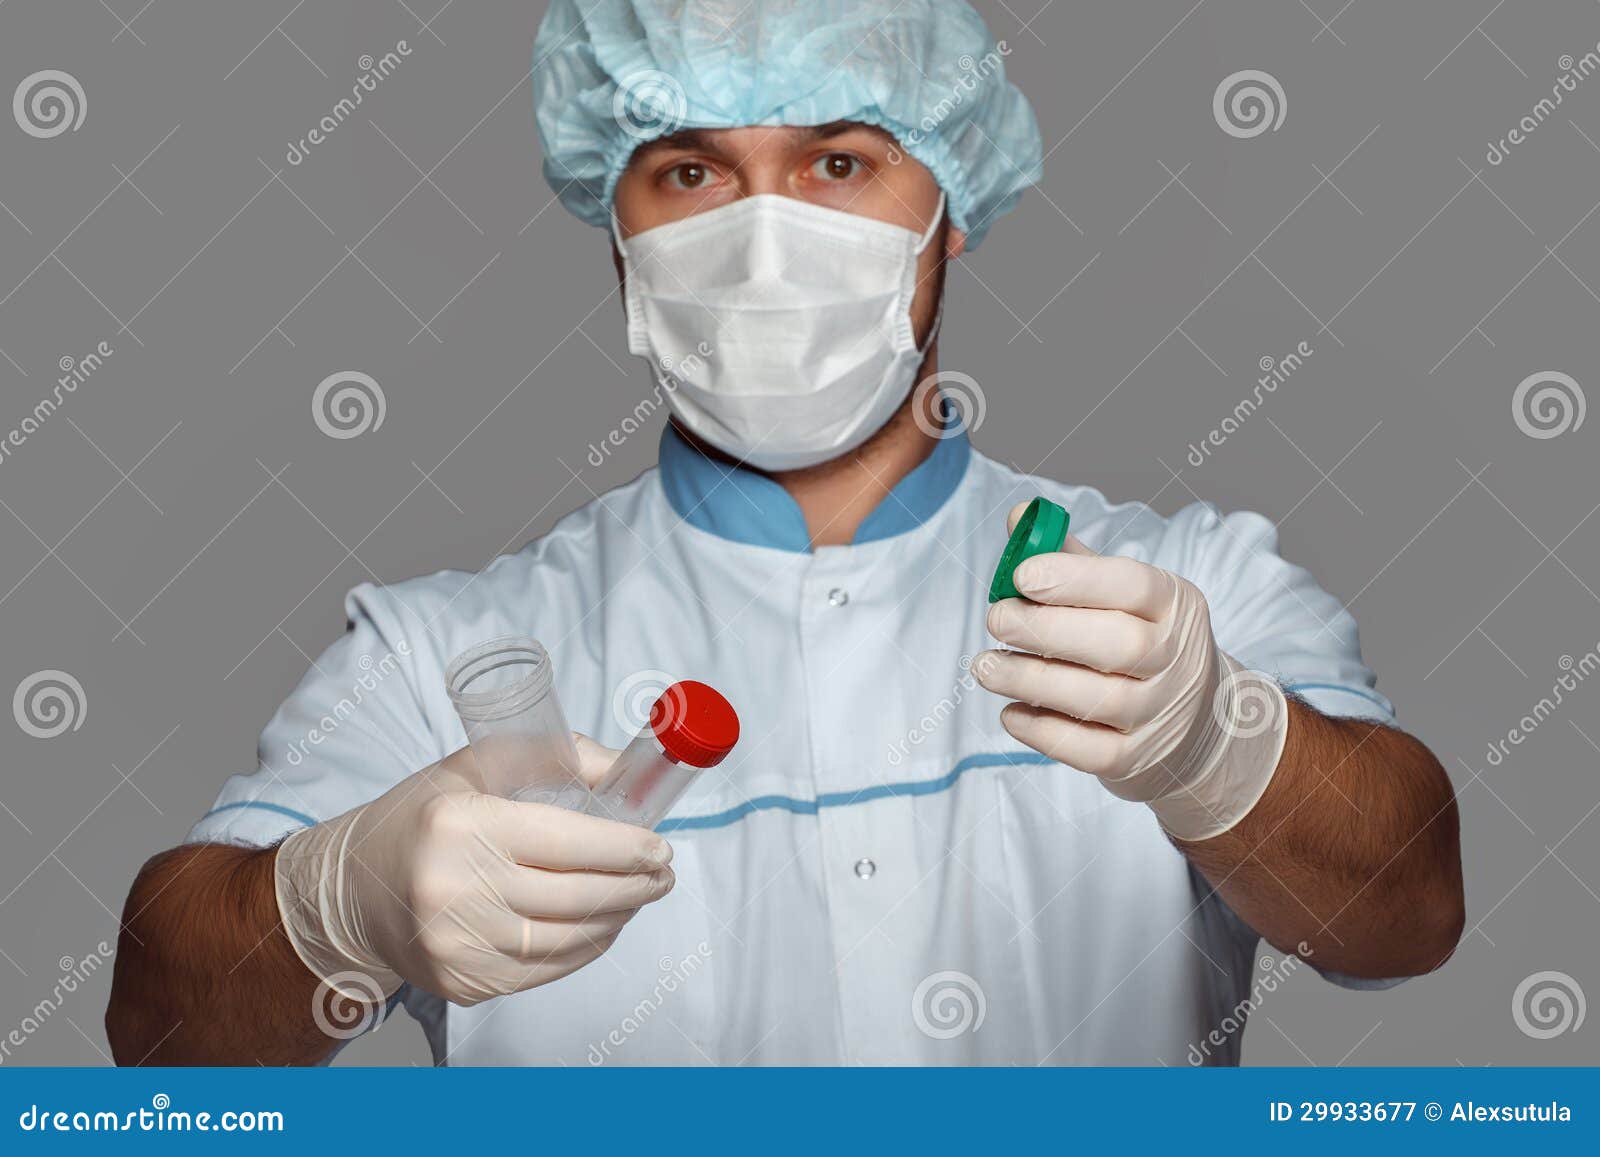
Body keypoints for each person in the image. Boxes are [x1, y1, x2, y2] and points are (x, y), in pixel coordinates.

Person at [105, 0, 1463, 1066]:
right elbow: (162, 1031)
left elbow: (1407, 915)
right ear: (616, 228)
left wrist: (1217, 740)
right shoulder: (444, 656)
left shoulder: (1178, 591)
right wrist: (338, 903)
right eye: (692, 170)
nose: (766, 243)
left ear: (949, 209)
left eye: (839, 162)